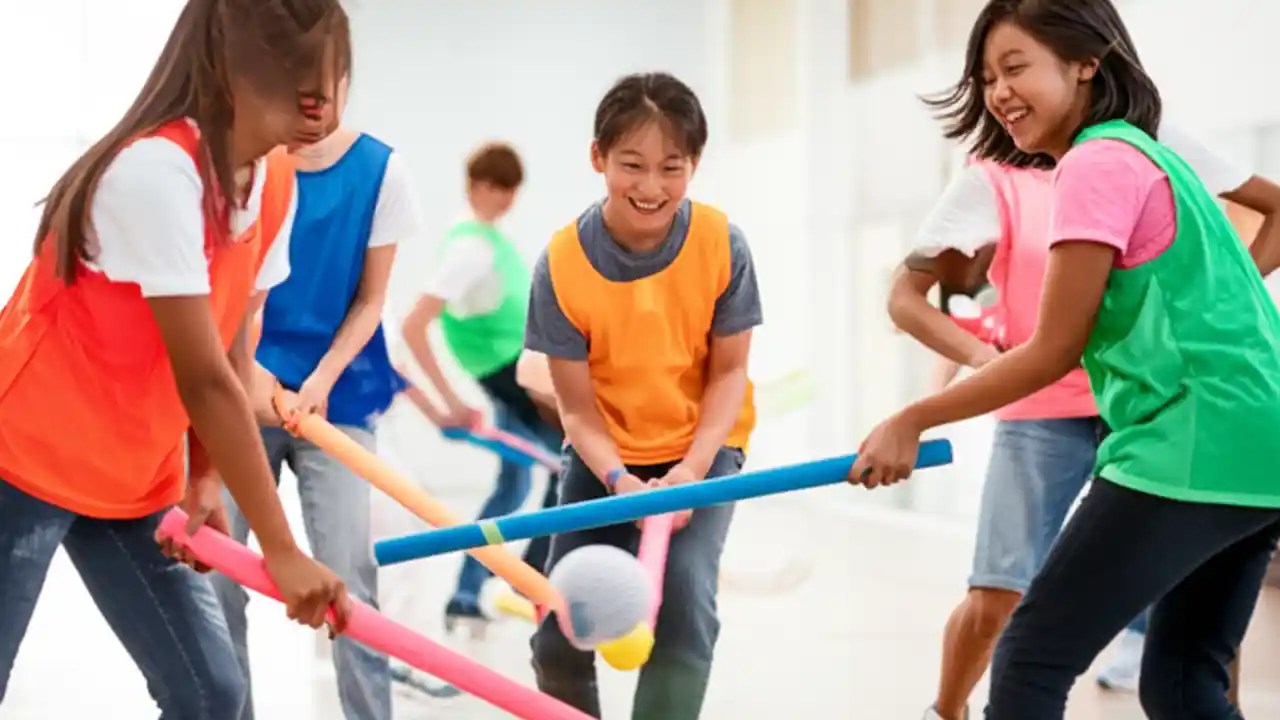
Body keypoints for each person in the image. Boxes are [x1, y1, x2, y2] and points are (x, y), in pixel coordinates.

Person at [849, 1, 1280, 717]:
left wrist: (915, 416)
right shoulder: (1151, 157)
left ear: (1087, 61)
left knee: (1030, 660)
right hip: (1257, 444)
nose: (998, 92)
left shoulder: (1099, 161)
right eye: (987, 76)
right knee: (1181, 682)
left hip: (1191, 442)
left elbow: (1054, 350)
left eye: (1016, 67)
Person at [0, 1, 354, 716]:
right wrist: (282, 549)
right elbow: (209, 382)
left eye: (334, 73)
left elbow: (230, 340)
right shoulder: (157, 172)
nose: (320, 99)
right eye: (295, 74)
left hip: (134, 467)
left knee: (210, 692)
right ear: (231, 71)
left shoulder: (276, 178)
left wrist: (205, 476)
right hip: (23, 454)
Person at [524, 72, 762, 720]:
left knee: (684, 600)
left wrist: (688, 474)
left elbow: (727, 375)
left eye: (671, 167)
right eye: (631, 165)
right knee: (558, 625)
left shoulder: (721, 243)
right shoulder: (563, 262)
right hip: (606, 454)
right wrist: (617, 476)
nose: (651, 188)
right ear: (598, 158)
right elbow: (575, 406)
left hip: (703, 451)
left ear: (694, 165)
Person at [211, 64, 424, 720]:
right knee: (216, 576)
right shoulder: (246, 165)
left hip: (340, 393)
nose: (310, 109)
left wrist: (321, 382)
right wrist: (249, 375)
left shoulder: (381, 171)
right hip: (241, 385)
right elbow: (230, 289)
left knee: (348, 575)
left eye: (323, 93)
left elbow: (371, 301)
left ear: (345, 81)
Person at [400, 142, 564, 628]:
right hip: (513, 376)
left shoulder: (487, 240)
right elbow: (415, 323)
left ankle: (470, 593)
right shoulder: (470, 248)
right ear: (476, 187)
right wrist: (449, 402)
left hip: (521, 370)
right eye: (498, 188)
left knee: (515, 485)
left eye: (513, 190)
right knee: (569, 467)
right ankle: (531, 579)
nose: (507, 198)